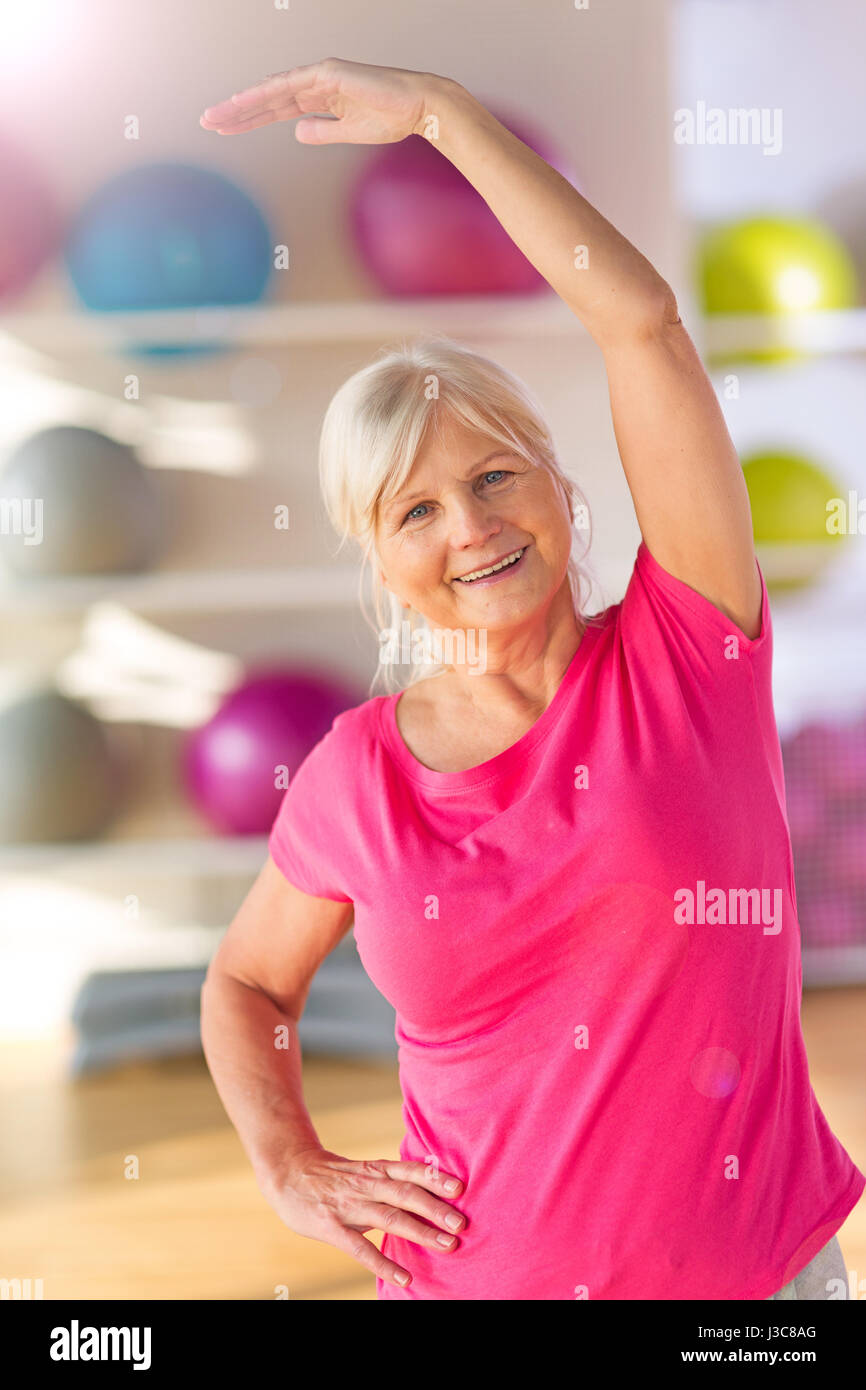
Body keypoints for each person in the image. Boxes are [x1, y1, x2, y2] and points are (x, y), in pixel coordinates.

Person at [198, 58, 864, 1300]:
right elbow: (244, 981)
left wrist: (443, 116)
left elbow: (643, 325)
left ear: (560, 490)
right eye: (415, 508)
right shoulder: (355, 776)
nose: (470, 525)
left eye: (495, 476)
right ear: (382, 560)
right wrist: (286, 1160)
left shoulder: (689, 649)